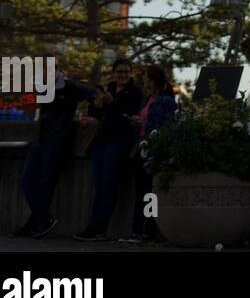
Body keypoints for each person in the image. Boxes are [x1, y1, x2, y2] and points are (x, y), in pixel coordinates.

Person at [12, 70, 97, 239]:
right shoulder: (41, 86)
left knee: (46, 184)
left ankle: (34, 224)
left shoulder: (70, 86)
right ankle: (43, 219)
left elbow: (93, 94)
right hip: (39, 140)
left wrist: (90, 116)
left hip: (57, 141)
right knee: (27, 180)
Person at [73, 59, 143, 242]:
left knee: (108, 186)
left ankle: (98, 229)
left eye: (126, 72)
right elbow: (97, 114)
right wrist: (94, 110)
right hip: (101, 141)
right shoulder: (108, 89)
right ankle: (94, 227)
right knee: (99, 186)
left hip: (119, 142)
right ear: (114, 72)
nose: (123, 75)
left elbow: (127, 117)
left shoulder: (135, 92)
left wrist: (111, 103)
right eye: (120, 71)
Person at [121, 64, 177, 244]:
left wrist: (143, 124)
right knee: (141, 192)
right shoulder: (148, 99)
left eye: (145, 77)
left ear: (152, 80)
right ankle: (138, 230)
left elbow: (165, 127)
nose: (143, 80)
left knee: (149, 192)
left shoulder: (166, 100)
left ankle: (146, 230)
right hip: (142, 148)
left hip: (153, 151)